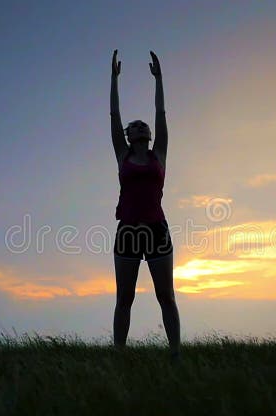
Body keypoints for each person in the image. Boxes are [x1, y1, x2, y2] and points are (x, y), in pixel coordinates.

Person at [109, 49, 181, 362]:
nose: (139, 126)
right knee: (124, 297)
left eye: (143, 126)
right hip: (128, 230)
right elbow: (114, 116)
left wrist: (159, 79)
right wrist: (114, 79)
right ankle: (119, 355)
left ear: (150, 135)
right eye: (134, 125)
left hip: (156, 230)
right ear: (128, 134)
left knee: (166, 295)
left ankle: (175, 353)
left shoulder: (158, 155)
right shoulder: (123, 155)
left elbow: (161, 114)